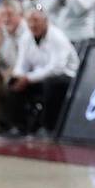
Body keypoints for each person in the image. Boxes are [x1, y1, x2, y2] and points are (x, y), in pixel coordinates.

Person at [8, 8, 80, 139]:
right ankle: (19, 127)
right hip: (38, 76)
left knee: (51, 84)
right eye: (29, 21)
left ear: (46, 21)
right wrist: (18, 76)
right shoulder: (26, 37)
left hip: (67, 77)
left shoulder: (57, 37)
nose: (32, 25)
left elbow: (56, 69)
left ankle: (48, 128)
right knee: (13, 82)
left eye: (36, 21)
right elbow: (21, 64)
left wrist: (28, 78)